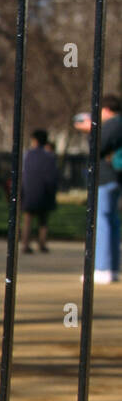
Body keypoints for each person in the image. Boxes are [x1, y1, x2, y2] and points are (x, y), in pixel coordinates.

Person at [73, 94, 122, 283]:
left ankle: (102, 268)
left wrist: (90, 130)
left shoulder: (112, 124)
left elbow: (97, 148)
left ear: (107, 109)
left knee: (102, 221)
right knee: (111, 221)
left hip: (106, 177)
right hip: (114, 178)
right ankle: (111, 268)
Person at [20, 129, 56, 254]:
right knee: (43, 220)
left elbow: (23, 173)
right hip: (44, 191)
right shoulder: (49, 157)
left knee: (28, 220)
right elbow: (52, 177)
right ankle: (42, 243)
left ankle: (25, 243)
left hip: (29, 190)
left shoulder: (27, 155)